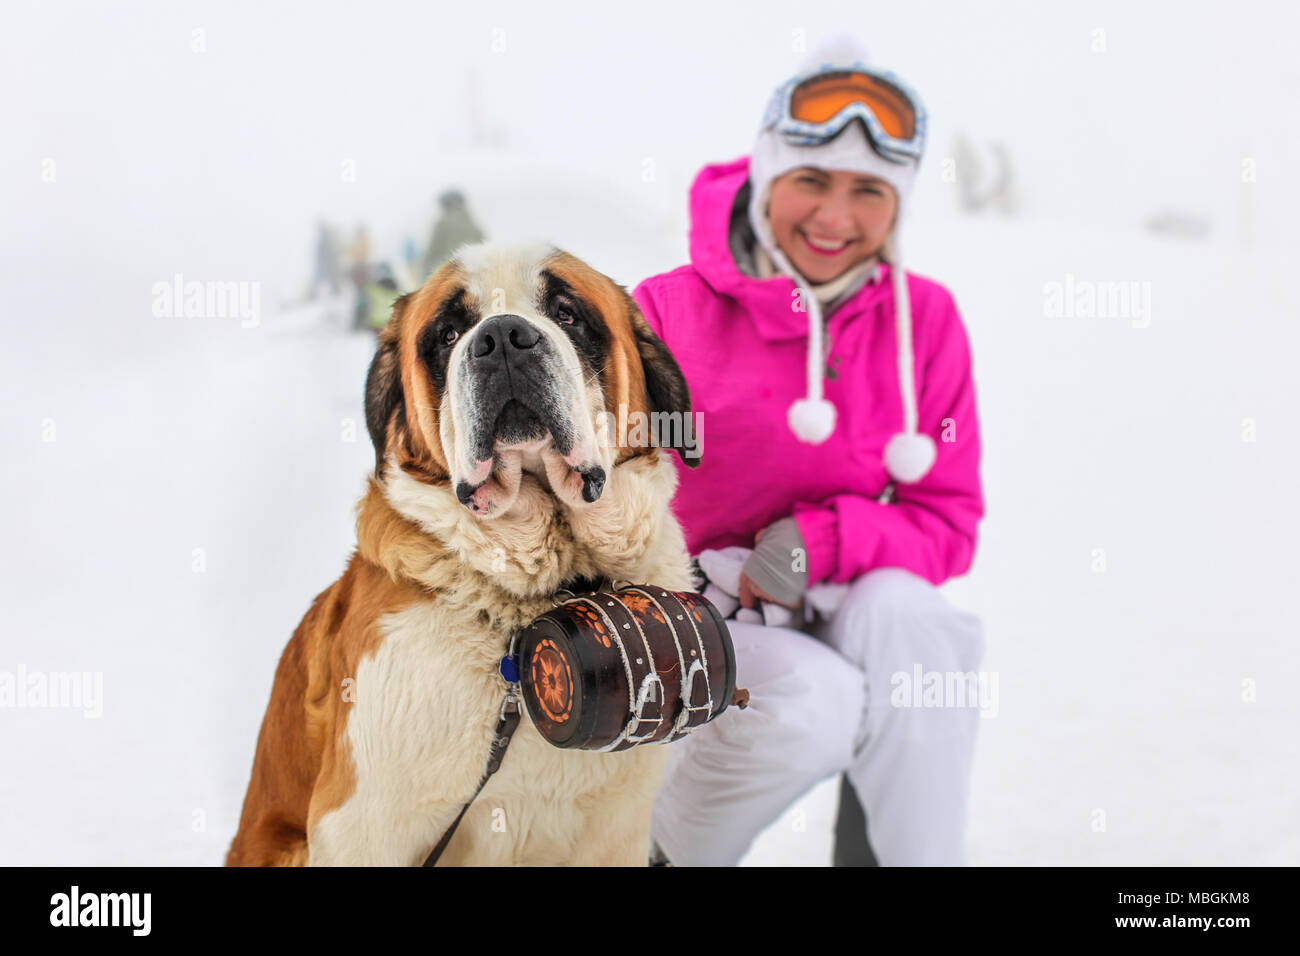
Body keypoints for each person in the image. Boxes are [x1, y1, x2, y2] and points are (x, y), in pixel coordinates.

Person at [631, 37, 987, 866]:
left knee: (920, 626)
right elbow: (595, 491)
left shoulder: (924, 322)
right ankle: (662, 852)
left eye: (869, 190)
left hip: (832, 590)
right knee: (814, 701)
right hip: (696, 612)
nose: (836, 217)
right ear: (766, 179)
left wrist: (815, 543)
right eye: (811, 182)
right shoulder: (665, 312)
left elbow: (947, 519)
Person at [420, 189, 485, 282]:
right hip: (472, 279)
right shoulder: (474, 226)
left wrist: (424, 283)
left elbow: (431, 255)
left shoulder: (442, 224)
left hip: (445, 279)